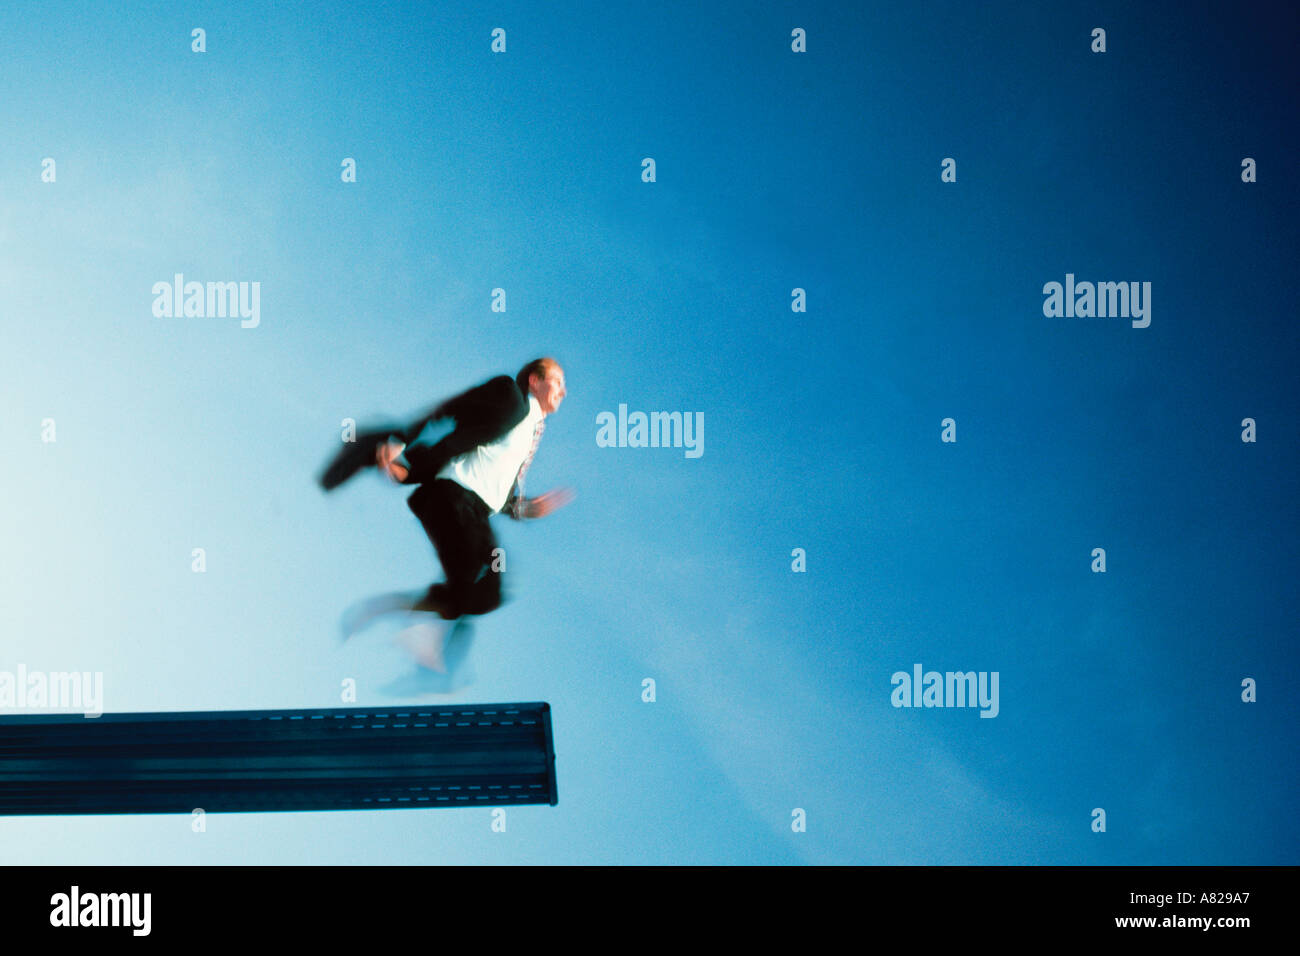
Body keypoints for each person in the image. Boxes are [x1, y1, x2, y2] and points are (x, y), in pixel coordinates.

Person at [328, 358, 574, 669]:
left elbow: (501, 491)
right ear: (535, 381)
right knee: (473, 577)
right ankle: (421, 635)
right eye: (558, 381)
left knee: (489, 592)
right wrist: (403, 444)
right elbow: (451, 408)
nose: (564, 392)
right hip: (451, 496)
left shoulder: (530, 432)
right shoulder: (509, 396)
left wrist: (526, 509)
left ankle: (387, 612)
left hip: (475, 512)